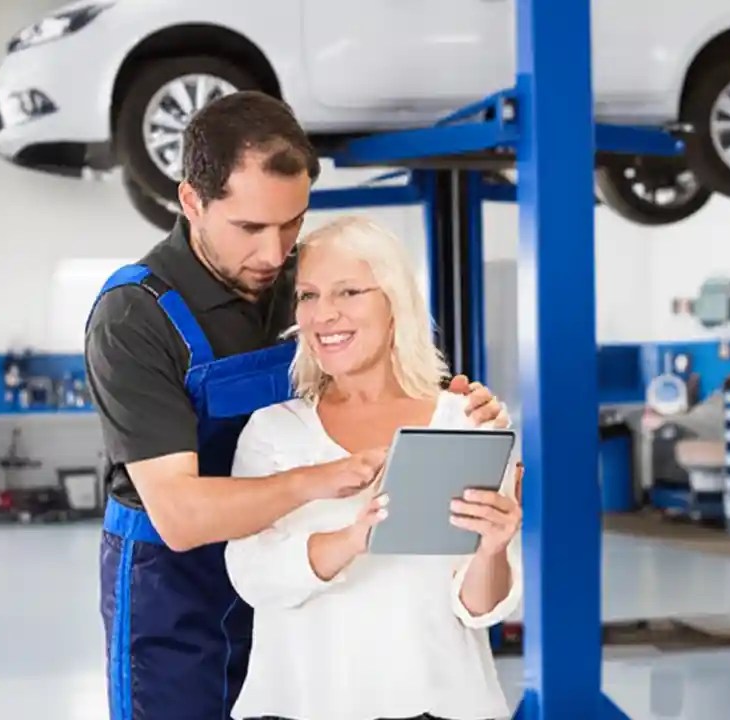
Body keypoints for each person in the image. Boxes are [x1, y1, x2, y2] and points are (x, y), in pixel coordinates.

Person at [83, 91, 511, 720]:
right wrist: (326, 477)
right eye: (250, 228)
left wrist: (445, 404)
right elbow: (179, 515)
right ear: (191, 202)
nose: (273, 253)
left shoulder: (298, 285)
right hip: (175, 592)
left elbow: (368, 363)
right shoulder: (134, 316)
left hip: (301, 567)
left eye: (292, 224)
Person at [224, 215, 524, 720]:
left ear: (394, 305)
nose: (324, 315)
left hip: (443, 707)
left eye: (348, 292)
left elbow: (478, 608)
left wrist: (494, 549)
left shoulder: (466, 421)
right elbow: (253, 576)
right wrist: (352, 539)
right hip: (303, 707)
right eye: (309, 296)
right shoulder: (274, 432)